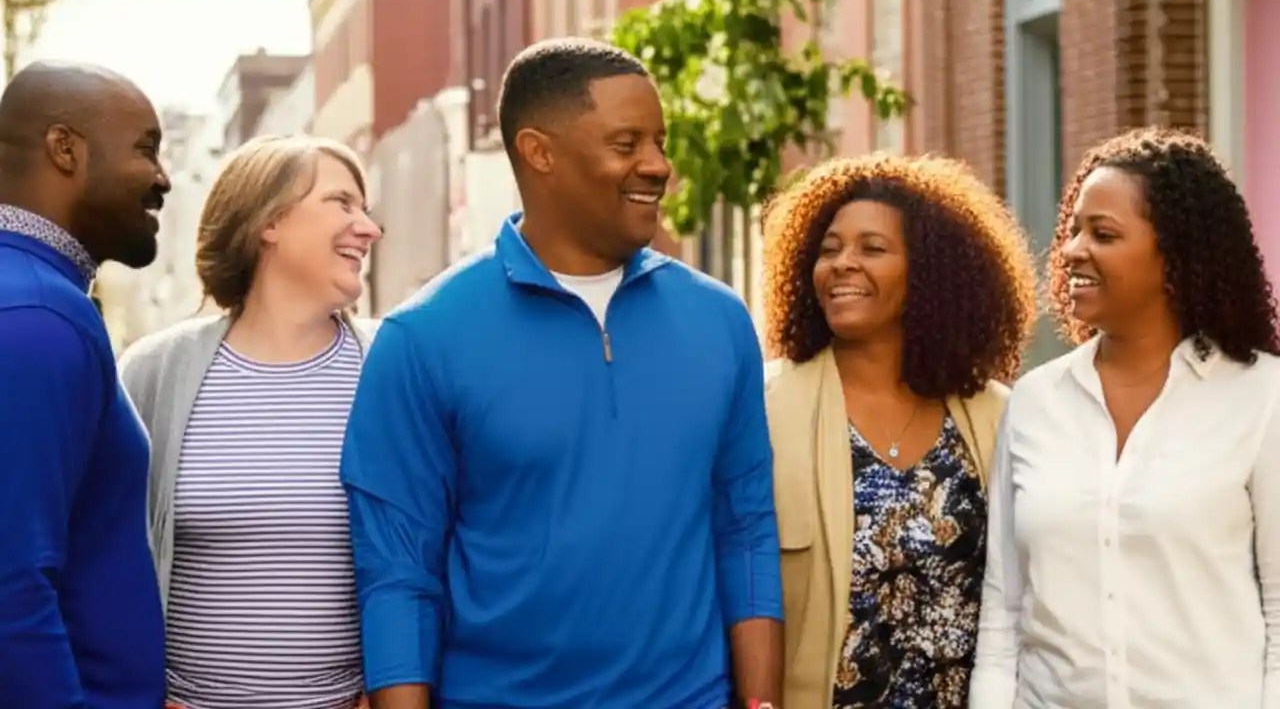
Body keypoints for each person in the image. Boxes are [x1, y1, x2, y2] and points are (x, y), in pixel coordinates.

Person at [340, 37, 783, 708]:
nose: (659, 166)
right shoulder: (423, 338)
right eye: (627, 142)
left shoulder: (719, 322)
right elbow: (398, 579)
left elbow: (745, 530)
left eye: (660, 142)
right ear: (538, 151)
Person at [970, 127, 1280, 706]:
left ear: (1174, 259)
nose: (1071, 251)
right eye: (1075, 229)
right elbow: (1003, 616)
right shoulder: (1035, 403)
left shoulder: (1263, 398)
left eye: (1104, 234)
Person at [760, 155, 1037, 708]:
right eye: (829, 248)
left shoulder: (1001, 416)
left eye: (872, 248)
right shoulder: (763, 406)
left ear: (930, 272)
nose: (843, 263)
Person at [118, 135, 383, 709]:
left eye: (366, 209)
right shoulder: (153, 373)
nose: (369, 228)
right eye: (342, 203)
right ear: (270, 221)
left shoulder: (390, 365)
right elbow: (104, 552)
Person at [0, 61, 171, 707]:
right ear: (64, 149)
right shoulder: (37, 315)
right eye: (146, 150)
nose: (163, 179)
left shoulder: (37, 298)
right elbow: (10, 582)